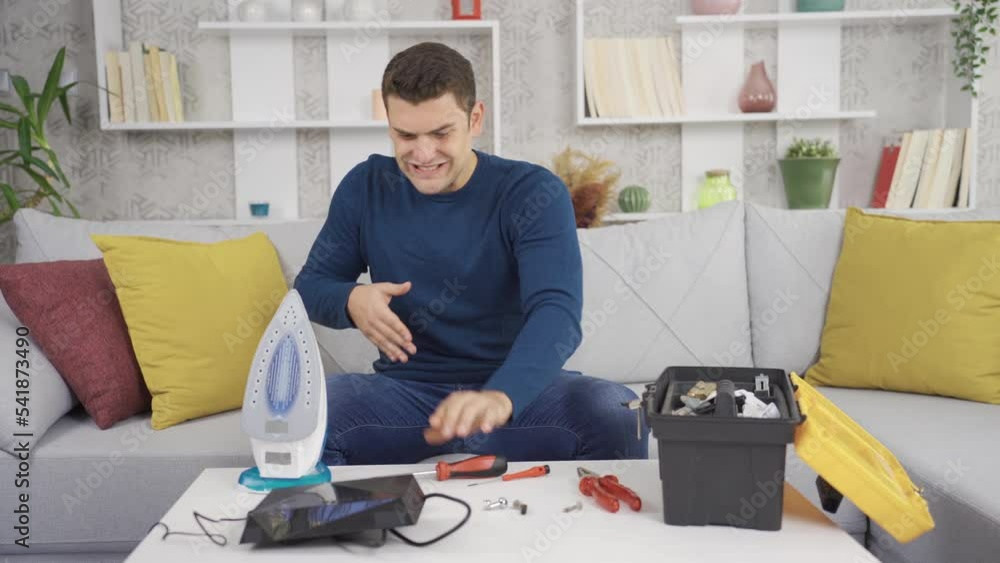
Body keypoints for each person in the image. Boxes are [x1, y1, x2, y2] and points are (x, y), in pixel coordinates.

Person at [294, 41, 648, 466]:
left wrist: (502, 395)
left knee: (618, 413)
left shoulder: (531, 192)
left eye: (441, 133)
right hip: (406, 395)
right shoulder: (366, 187)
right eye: (406, 135)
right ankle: (349, 527)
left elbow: (556, 312)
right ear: (389, 124)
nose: (423, 154)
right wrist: (351, 300)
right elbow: (311, 286)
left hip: (516, 396)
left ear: (474, 118)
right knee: (302, 415)